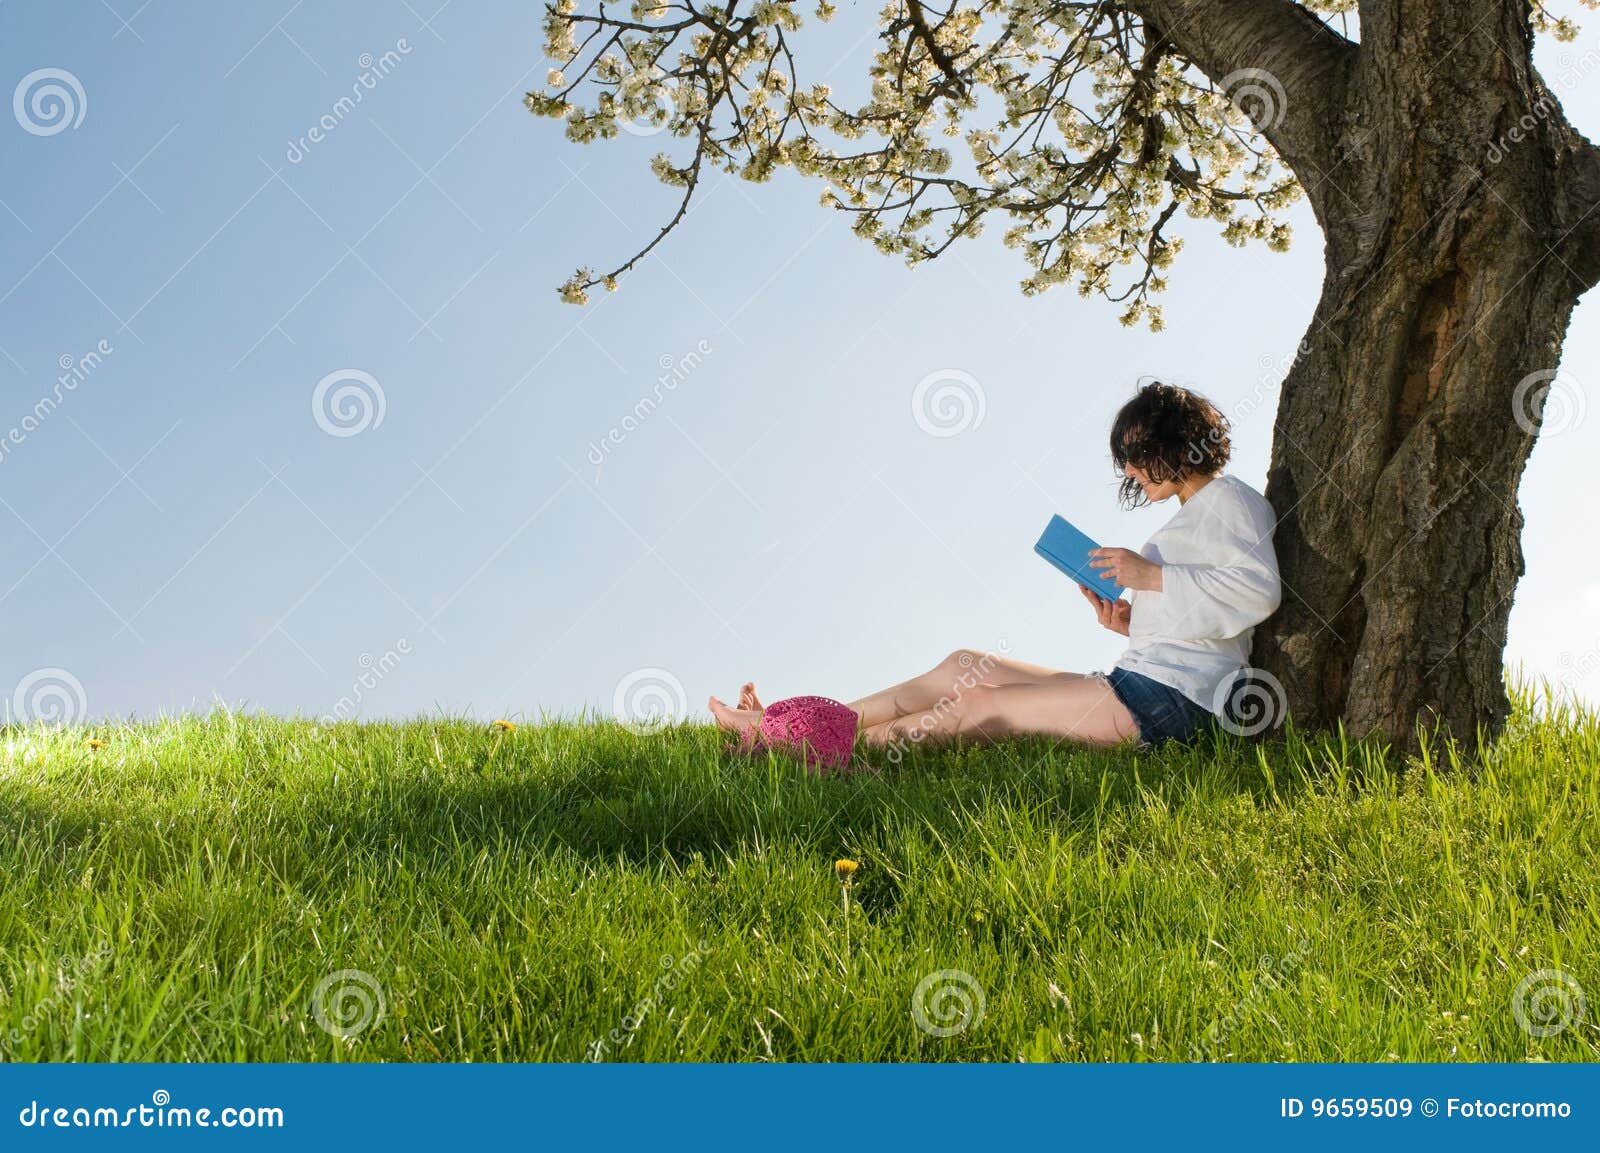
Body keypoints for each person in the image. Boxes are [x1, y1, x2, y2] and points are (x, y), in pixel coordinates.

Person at [709, 381, 1282, 752]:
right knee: (965, 666)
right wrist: (1132, 621)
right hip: (1141, 679)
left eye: (1136, 453)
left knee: (978, 706)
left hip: (1176, 705)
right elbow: (1203, 610)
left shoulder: (1230, 500)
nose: (1129, 470)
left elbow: (1257, 595)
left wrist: (1150, 578)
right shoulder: (1185, 518)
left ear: (1174, 442)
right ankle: (793, 723)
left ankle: (794, 743)